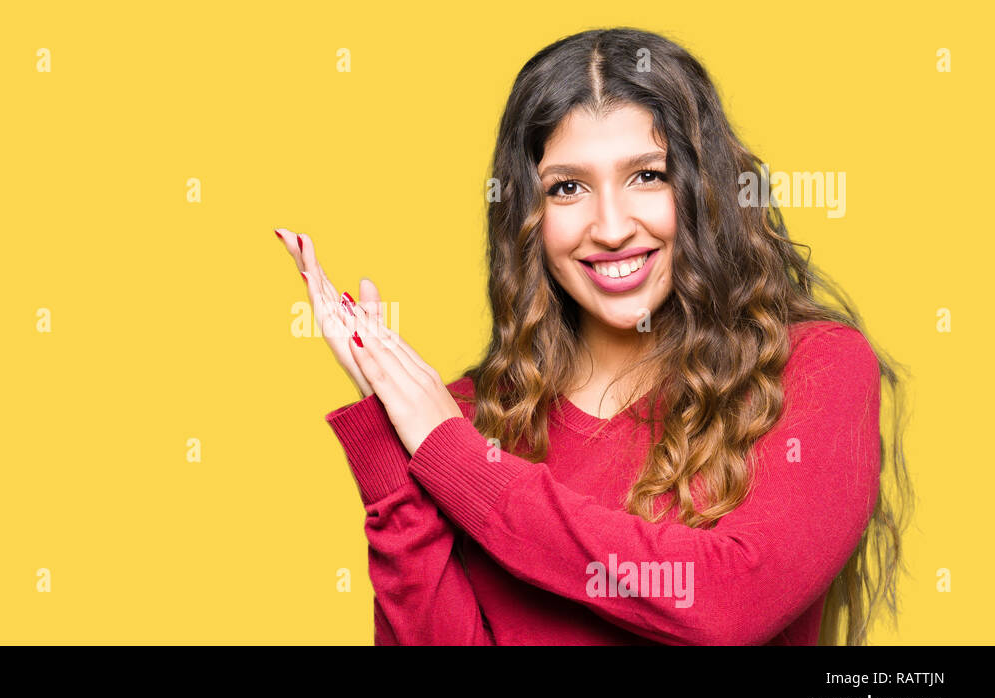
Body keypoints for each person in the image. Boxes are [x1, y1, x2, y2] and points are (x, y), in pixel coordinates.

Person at [274, 27, 913, 645]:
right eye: (568, 188)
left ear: (704, 192)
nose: (610, 228)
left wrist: (461, 464)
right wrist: (397, 449)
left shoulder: (812, 368)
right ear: (527, 215)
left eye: (648, 176)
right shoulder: (464, 420)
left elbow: (728, 602)